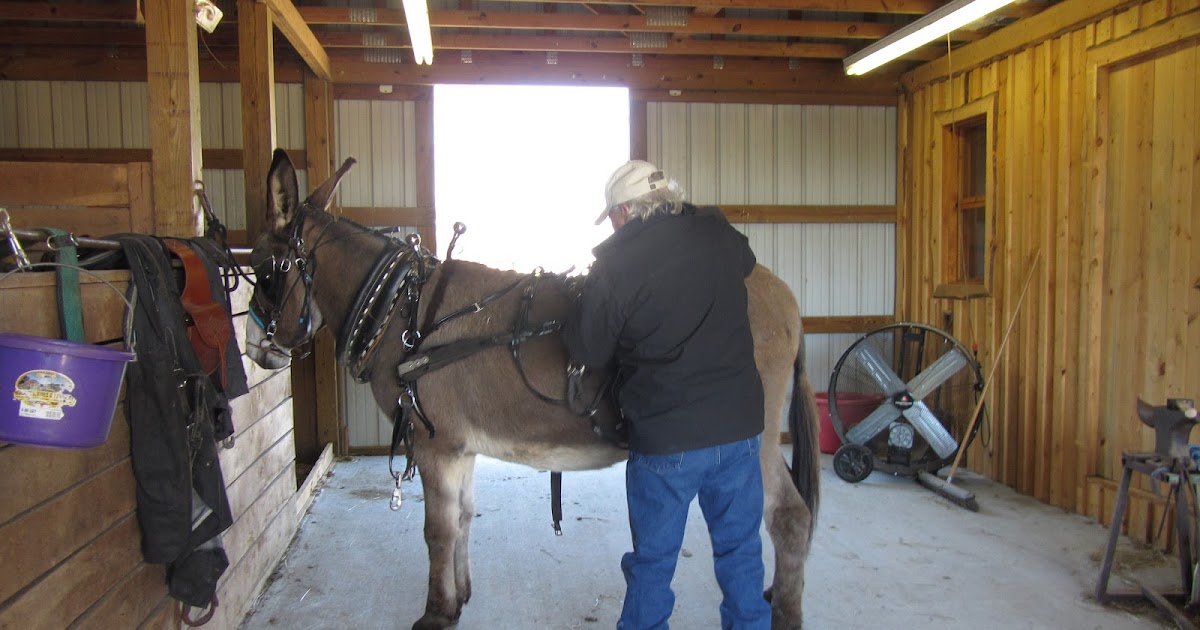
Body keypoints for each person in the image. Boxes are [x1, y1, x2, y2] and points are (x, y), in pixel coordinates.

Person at [563, 160, 771, 629]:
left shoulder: (617, 265)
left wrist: (583, 300)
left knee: (654, 562)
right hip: (739, 430)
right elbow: (746, 262)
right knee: (741, 550)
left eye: (614, 215)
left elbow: (588, 349)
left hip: (668, 438)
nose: (613, 225)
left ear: (627, 210)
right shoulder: (718, 235)